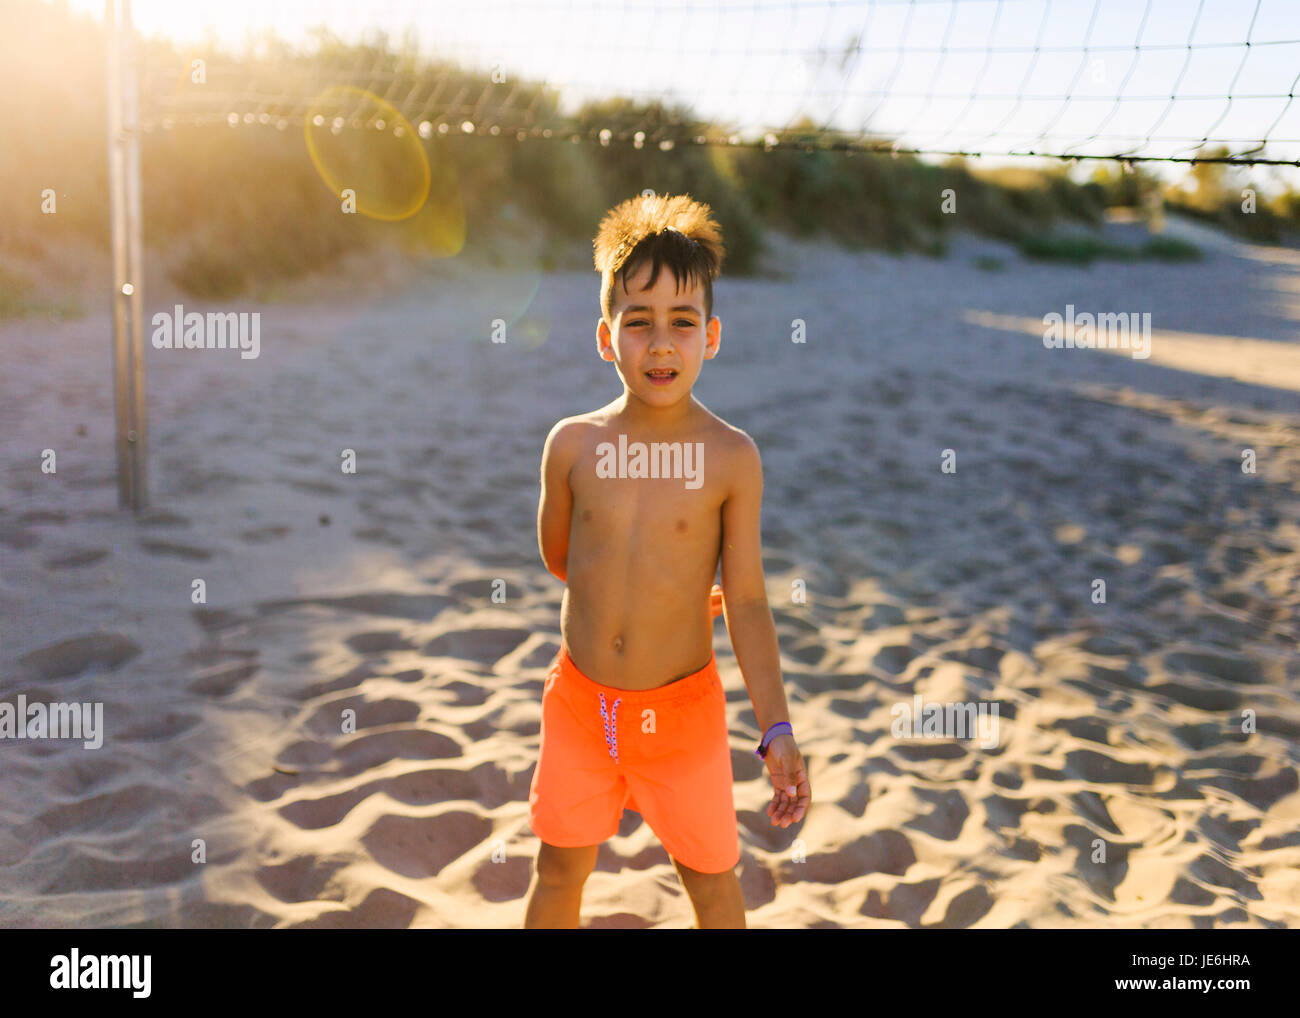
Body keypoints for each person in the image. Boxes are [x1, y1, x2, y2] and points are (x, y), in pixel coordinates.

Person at [524, 192, 810, 929]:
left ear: (710, 336)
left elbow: (745, 602)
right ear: (604, 337)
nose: (660, 345)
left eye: (682, 324)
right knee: (558, 870)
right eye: (637, 323)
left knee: (712, 881)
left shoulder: (730, 459)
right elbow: (563, 558)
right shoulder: (572, 446)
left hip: (680, 717)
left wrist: (775, 728)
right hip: (582, 706)